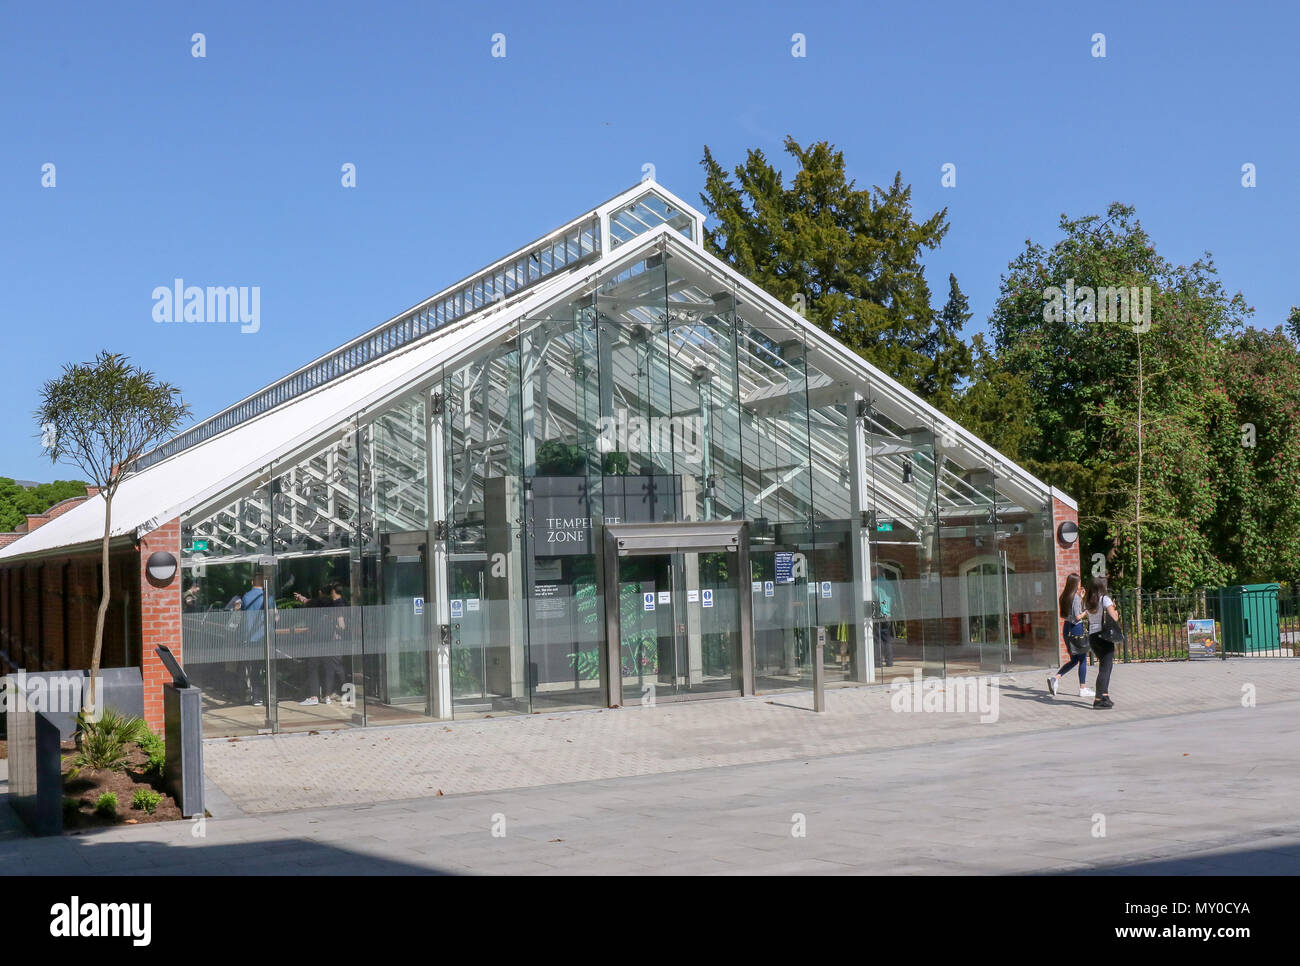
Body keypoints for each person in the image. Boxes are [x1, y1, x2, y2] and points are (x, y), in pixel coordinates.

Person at [1047, 573, 1094, 697]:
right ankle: (1083, 689)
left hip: (1067, 628)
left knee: (1074, 660)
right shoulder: (1076, 598)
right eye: (1079, 582)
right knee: (1082, 659)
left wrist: (1082, 597)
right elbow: (1078, 616)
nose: (1080, 584)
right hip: (1076, 629)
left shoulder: (1064, 596)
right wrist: (1087, 611)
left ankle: (1055, 678)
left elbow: (1068, 614)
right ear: (1075, 584)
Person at [303, 582, 347, 705]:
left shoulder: (316, 603)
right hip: (330, 639)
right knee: (329, 668)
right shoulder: (335, 604)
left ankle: (314, 696)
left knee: (313, 666)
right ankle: (327, 696)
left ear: (320, 592)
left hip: (316, 640)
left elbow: (308, 603)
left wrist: (304, 599)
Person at [1084, 575, 1120, 709]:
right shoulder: (1105, 599)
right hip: (1104, 636)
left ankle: (1105, 695)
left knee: (1106, 666)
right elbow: (1114, 617)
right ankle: (1098, 699)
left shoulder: (1088, 601)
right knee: (1105, 668)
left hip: (1093, 636)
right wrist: (1114, 609)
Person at [241, 573, 269, 707]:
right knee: (268, 667)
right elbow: (276, 617)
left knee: (255, 668)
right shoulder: (268, 597)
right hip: (266, 638)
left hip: (251, 638)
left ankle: (256, 697)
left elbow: (241, 615)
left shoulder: (246, 597)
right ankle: (269, 696)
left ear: (252, 582)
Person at [871, 566, 894, 668]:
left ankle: (877, 662)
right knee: (887, 639)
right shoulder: (889, 584)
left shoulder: (873, 584)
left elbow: (872, 599)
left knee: (876, 639)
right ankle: (889, 662)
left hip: (877, 615)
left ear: (876, 572)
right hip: (887, 614)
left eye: (872, 571)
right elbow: (893, 598)